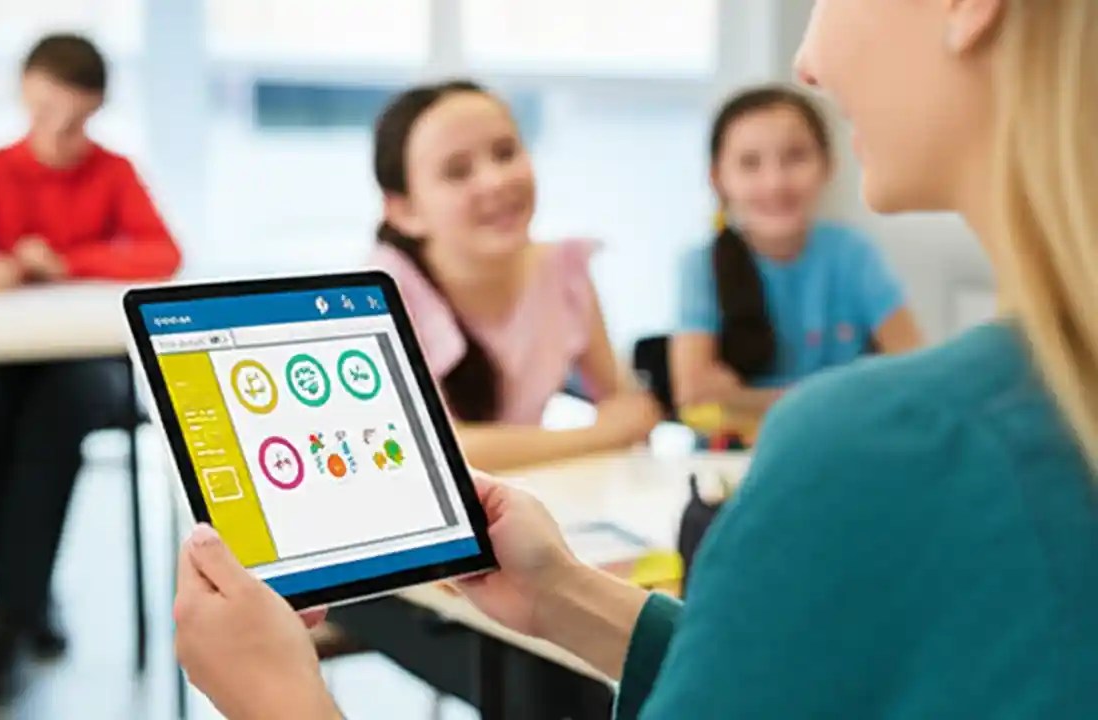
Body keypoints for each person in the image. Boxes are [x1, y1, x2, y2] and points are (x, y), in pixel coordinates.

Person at [171, 0, 1098, 717]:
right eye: (458, 170)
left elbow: (632, 410)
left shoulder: (867, 444)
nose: (807, 58)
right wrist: (566, 595)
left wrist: (280, 704)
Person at [0, 33, 180, 701]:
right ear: (25, 90)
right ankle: (28, 601)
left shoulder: (113, 172)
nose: (57, 131)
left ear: (97, 107)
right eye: (46, 110)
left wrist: (65, 263)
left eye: (74, 118)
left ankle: (5, 622)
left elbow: (161, 254)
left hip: (90, 367)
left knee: (54, 419)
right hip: (8, 357)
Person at [370, 80, 662, 471]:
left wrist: (620, 424)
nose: (496, 181)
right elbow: (426, 449)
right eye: (457, 172)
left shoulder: (565, 270)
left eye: (506, 153)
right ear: (405, 211)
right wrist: (599, 435)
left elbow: (630, 410)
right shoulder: (380, 291)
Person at [672, 85, 923, 419]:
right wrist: (848, 392)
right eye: (750, 163)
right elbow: (694, 395)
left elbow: (915, 370)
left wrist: (744, 398)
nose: (775, 182)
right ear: (718, 179)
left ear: (828, 165)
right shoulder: (701, 266)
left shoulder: (853, 254)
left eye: (795, 157)